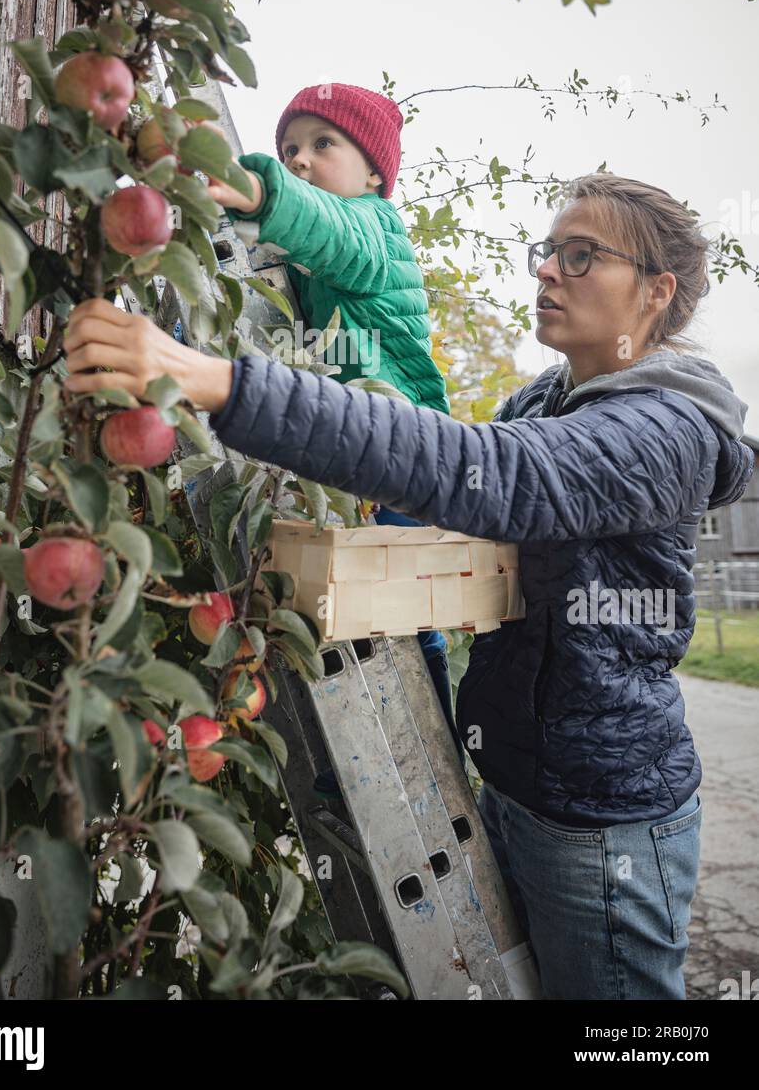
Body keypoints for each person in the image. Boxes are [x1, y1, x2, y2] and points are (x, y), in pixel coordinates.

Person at [63, 172, 753, 1000]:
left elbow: (496, 477)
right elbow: (460, 496)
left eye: (581, 256)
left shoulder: (665, 429)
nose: (545, 271)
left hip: (604, 824)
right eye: (547, 252)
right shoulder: (547, 397)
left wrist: (223, 383)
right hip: (521, 784)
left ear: (655, 291)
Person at [203, 83, 464, 779]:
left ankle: (431, 761)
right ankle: (370, 764)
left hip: (406, 448)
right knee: (361, 619)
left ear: (376, 173)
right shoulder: (325, 248)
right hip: (366, 455)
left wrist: (262, 192)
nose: (302, 160)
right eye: (290, 149)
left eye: (325, 145)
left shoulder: (373, 226)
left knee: (406, 622)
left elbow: (330, 231)